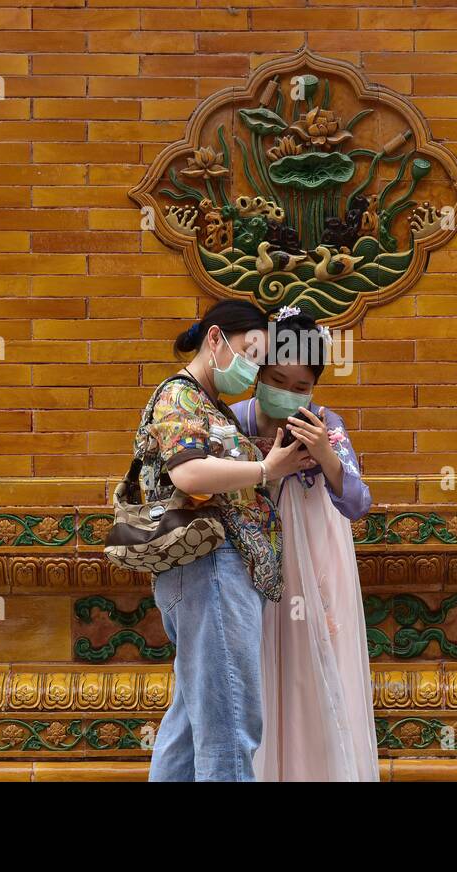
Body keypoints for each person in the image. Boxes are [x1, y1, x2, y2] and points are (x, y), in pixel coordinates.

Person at [139, 299, 313, 782]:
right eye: (248, 353)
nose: (252, 370)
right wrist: (265, 469)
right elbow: (189, 472)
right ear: (214, 340)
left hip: (209, 572)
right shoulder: (181, 396)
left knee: (192, 722)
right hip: (211, 568)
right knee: (231, 723)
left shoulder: (211, 405)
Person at [232, 306, 379, 782]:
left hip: (314, 562)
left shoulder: (323, 423)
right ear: (257, 373)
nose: (289, 393)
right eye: (277, 379)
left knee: (315, 670)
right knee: (256, 669)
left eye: (301, 386)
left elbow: (357, 502)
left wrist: (325, 456)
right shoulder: (233, 421)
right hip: (252, 562)